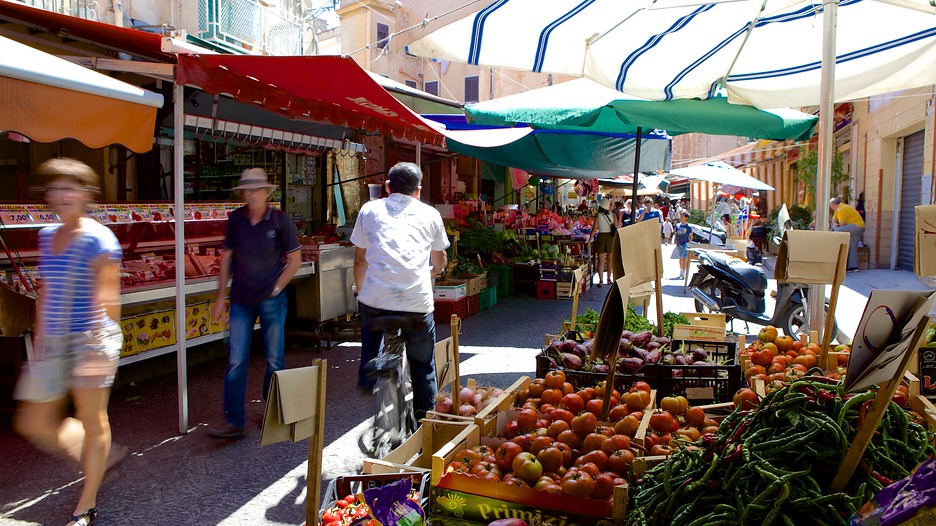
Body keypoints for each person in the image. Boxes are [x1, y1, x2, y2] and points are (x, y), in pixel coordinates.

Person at [13, 159, 125, 526]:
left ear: (87, 194)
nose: (63, 195)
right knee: (33, 420)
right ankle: (96, 454)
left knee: (93, 419)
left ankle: (86, 504)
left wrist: (97, 350)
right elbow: (47, 291)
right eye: (56, 187)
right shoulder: (47, 235)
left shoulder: (99, 238)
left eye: (71, 187)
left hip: (92, 335)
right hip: (56, 338)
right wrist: (42, 340)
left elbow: (109, 299)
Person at [351, 162, 450, 419]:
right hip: (416, 304)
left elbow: (360, 261)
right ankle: (426, 426)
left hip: (376, 299)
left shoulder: (369, 209)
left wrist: (360, 292)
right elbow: (439, 259)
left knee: (370, 324)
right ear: (418, 190)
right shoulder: (430, 214)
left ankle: (367, 374)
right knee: (423, 368)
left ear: (386, 187)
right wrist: (435, 271)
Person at [209, 168, 302, 439]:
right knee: (236, 359)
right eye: (246, 190)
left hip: (271, 299)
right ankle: (234, 420)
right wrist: (219, 298)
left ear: (266, 192)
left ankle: (272, 415)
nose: (251, 194)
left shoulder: (279, 219)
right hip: (240, 297)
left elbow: (294, 260)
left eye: (256, 189)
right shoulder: (236, 219)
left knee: (275, 358)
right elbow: (227, 259)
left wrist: (276, 287)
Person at [830, 197, 865, 272]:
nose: (830, 207)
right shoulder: (839, 209)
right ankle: (853, 267)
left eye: (830, 205)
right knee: (852, 247)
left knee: (835, 231)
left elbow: (842, 224)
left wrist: (835, 226)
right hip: (859, 227)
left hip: (856, 226)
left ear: (833, 205)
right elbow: (834, 219)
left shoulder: (842, 209)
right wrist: (835, 223)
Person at [591, 196, 616, 287]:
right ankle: (609, 279)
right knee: (610, 260)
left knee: (601, 261)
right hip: (610, 238)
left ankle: (600, 281)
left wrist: (590, 240)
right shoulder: (613, 216)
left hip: (601, 237)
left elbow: (594, 229)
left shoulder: (598, 216)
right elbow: (617, 227)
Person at [674, 210, 693, 279]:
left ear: (686, 218)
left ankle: (683, 272)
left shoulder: (688, 226)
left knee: (684, 258)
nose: (681, 218)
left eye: (682, 216)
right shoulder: (678, 225)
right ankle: (681, 270)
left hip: (685, 243)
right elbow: (676, 234)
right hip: (679, 243)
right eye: (680, 216)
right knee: (680, 257)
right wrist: (675, 240)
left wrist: (689, 243)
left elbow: (691, 236)